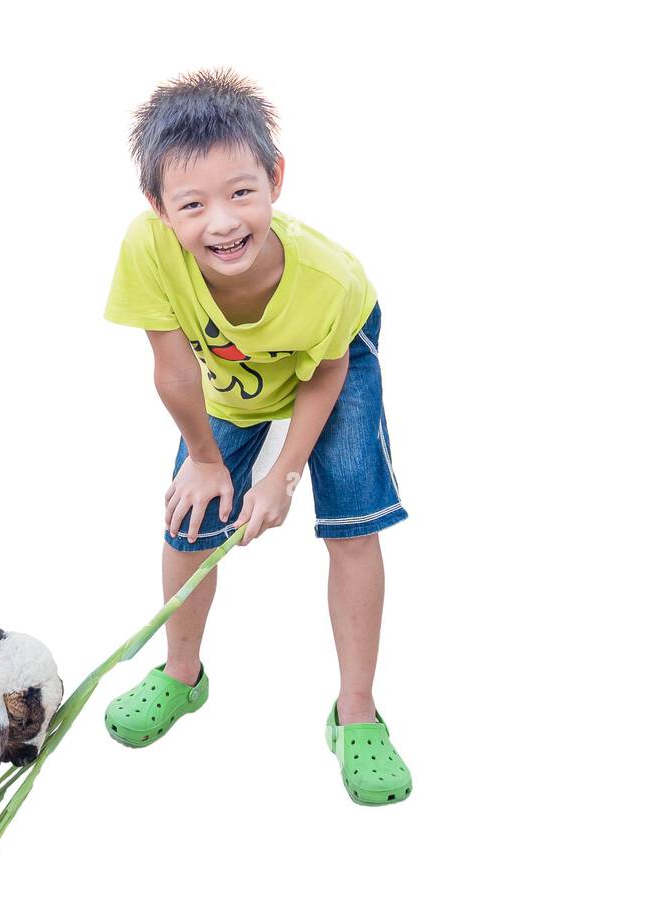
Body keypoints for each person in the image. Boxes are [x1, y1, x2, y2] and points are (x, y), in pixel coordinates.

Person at [102, 68, 412, 805]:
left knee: (354, 524)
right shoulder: (147, 247)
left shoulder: (328, 279)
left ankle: (357, 712)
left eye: (242, 192)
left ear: (275, 177)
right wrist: (207, 462)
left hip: (332, 360)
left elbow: (321, 376)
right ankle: (181, 675)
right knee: (188, 519)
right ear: (158, 207)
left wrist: (281, 478)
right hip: (233, 375)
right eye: (192, 204)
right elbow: (174, 371)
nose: (223, 222)